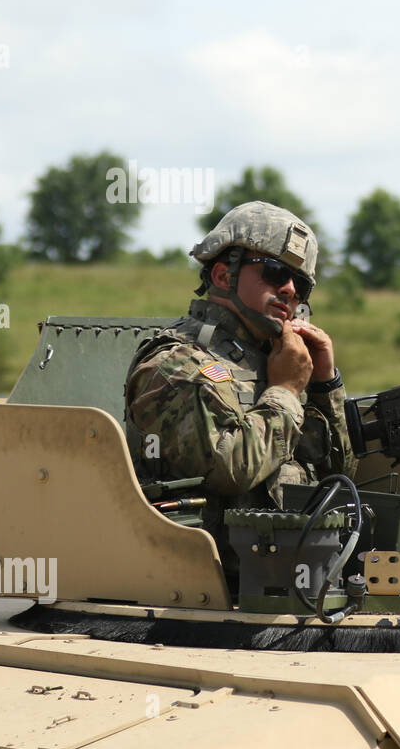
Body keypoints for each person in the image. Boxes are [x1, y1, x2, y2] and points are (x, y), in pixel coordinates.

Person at [124, 201, 358, 588]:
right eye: (274, 272)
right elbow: (227, 470)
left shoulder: (281, 361)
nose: (288, 290)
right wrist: (285, 391)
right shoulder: (174, 364)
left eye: (300, 285)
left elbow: (339, 482)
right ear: (221, 273)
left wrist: (324, 384)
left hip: (291, 586)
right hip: (206, 591)